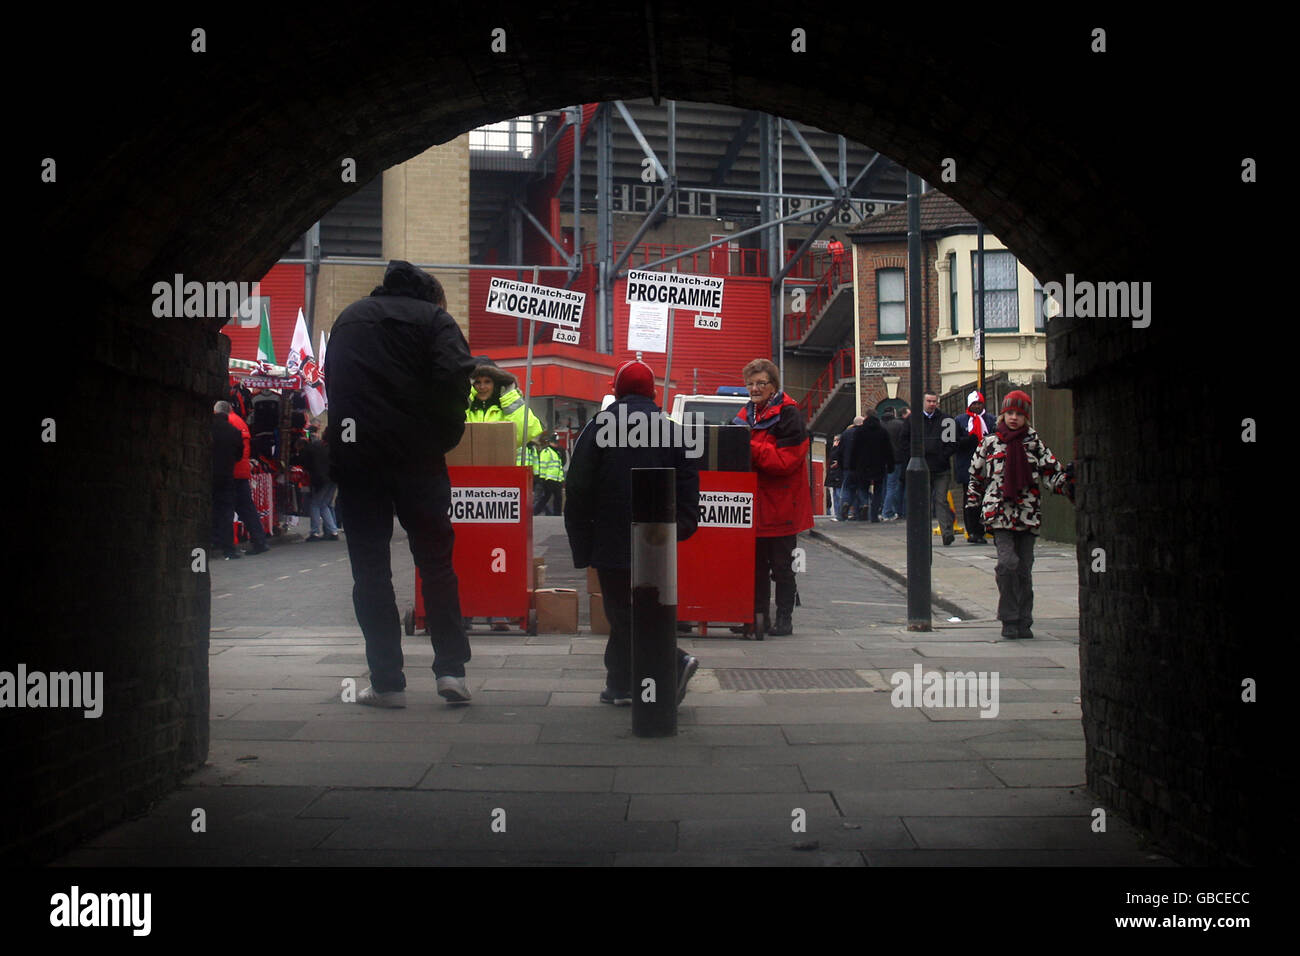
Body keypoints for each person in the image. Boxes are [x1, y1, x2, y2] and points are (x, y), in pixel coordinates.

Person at [325, 260, 476, 707]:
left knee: (369, 571)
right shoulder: (435, 320)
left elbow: (334, 383)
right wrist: (442, 435)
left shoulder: (349, 318)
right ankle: (451, 671)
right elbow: (455, 376)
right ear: (429, 294)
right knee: (435, 563)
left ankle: (386, 680)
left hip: (359, 461)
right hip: (418, 459)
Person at [565, 359, 701, 706]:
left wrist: (582, 545)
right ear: (653, 392)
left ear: (617, 390)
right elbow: (688, 482)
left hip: (611, 534)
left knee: (622, 611)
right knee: (642, 609)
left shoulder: (598, 427)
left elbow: (578, 487)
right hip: (657, 535)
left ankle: (674, 661)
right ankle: (621, 683)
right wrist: (683, 526)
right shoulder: (673, 429)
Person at [966, 390, 1075, 640]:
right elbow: (976, 477)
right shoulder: (990, 442)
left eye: (1019, 414)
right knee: (1008, 564)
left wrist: (1068, 483)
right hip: (999, 514)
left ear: (1026, 417)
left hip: (1027, 513)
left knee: (1024, 569)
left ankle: (1024, 621)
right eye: (1010, 413)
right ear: (1003, 414)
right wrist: (972, 509)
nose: (1014, 418)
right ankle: (1008, 617)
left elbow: (1051, 474)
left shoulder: (1034, 444)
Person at [734, 358, 813, 637]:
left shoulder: (790, 415)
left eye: (760, 383)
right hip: (756, 503)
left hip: (781, 504)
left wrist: (750, 447)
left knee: (782, 567)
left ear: (773, 386)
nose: (754, 388)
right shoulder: (746, 414)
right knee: (755, 567)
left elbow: (786, 462)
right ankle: (757, 618)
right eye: (750, 384)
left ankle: (784, 619)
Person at [901, 391, 959, 545]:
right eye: (929, 401)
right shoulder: (912, 420)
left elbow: (952, 443)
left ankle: (947, 532)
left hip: (941, 468)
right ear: (923, 402)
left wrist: (942, 456)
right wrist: (915, 457)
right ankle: (923, 534)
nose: (932, 404)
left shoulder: (946, 420)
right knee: (923, 502)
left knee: (941, 500)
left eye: (934, 401)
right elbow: (904, 441)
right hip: (922, 468)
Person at [216, 399, 269, 555]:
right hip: (241, 470)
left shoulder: (229, 422)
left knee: (228, 509)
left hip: (232, 471)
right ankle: (259, 541)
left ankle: (227, 545)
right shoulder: (239, 421)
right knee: (246, 508)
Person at [466, 363, 543, 459]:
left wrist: (509, 398)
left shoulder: (506, 409)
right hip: (466, 468)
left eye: (487, 382)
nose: (482, 387)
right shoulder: (467, 410)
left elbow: (526, 432)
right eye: (477, 382)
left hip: (502, 468)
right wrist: (465, 395)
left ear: (496, 384)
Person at [954, 390, 997, 544]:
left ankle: (985, 528)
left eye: (979, 403)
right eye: (974, 404)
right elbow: (952, 443)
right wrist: (968, 441)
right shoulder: (958, 421)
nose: (977, 406)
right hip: (967, 465)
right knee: (970, 499)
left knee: (988, 497)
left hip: (987, 466)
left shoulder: (992, 420)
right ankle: (972, 531)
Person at [846, 409, 894, 522]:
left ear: (866, 417)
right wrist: (890, 465)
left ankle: (864, 503)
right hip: (879, 464)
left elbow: (854, 449)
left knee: (862, 487)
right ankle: (874, 515)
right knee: (878, 490)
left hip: (862, 464)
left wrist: (852, 465)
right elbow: (888, 450)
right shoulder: (882, 431)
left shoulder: (860, 431)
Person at [211, 409, 245, 560]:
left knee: (209, 509)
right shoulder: (234, 432)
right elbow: (239, 455)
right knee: (226, 511)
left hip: (208, 475)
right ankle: (228, 549)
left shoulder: (208, 429)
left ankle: (211, 542)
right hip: (226, 475)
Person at [297, 432, 339, 542]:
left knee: (315, 504)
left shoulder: (309, 450)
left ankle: (316, 532)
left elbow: (307, 465)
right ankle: (332, 531)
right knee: (325, 504)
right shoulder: (325, 447)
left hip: (322, 479)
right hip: (332, 478)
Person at [880, 407, 907, 520]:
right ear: (894, 413)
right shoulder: (899, 425)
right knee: (893, 486)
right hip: (896, 459)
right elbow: (903, 442)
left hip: (882, 460)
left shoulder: (880, 425)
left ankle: (884, 510)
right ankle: (888, 512)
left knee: (884, 486)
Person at [837, 416, 864, 520]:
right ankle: (862, 507)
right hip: (861, 466)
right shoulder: (864, 433)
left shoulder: (845, 433)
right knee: (861, 488)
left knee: (847, 489)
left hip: (847, 466)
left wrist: (841, 464)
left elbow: (840, 451)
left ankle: (845, 505)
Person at [532, 433, 565, 516]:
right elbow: (543, 465)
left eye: (556, 442)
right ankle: (535, 511)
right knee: (546, 497)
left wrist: (561, 479)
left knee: (558, 497)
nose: (556, 444)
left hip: (557, 479)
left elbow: (559, 467)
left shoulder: (556, 452)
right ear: (550, 442)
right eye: (554, 442)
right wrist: (542, 478)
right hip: (549, 479)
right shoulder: (546, 452)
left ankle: (557, 513)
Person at [825, 434, 844, 520]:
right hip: (833, 475)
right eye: (834, 440)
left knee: (838, 495)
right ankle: (837, 514)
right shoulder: (833, 449)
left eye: (837, 440)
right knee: (835, 496)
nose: (835, 442)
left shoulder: (840, 449)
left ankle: (839, 514)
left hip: (838, 475)